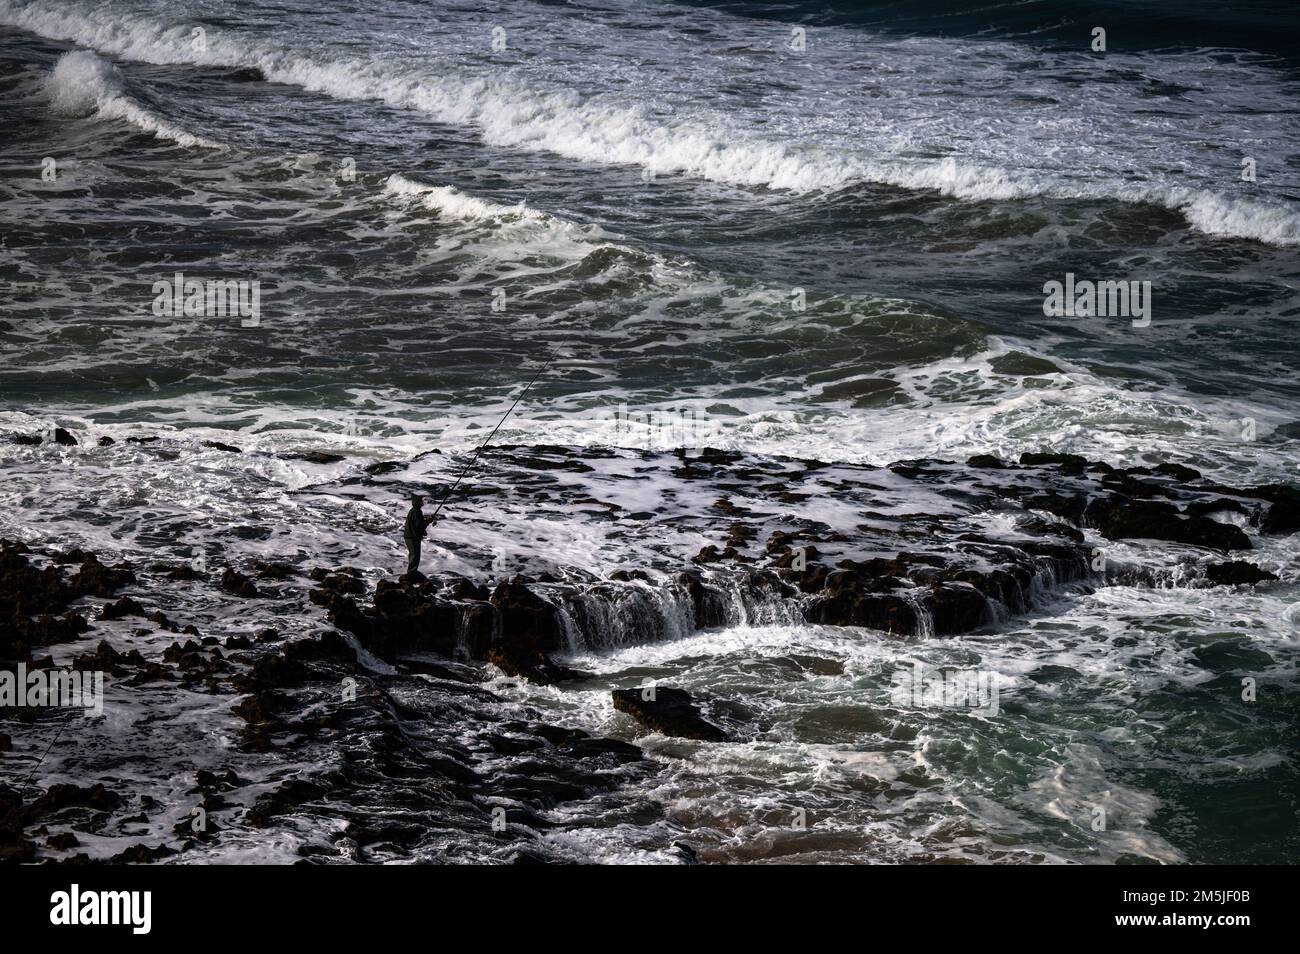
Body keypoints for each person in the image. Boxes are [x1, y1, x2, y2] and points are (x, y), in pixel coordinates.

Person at [403, 494, 437, 577]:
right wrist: (428, 521)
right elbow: (419, 525)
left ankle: (412, 572)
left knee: (414, 555)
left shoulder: (414, 510)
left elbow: (418, 524)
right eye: (421, 500)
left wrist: (427, 520)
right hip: (412, 537)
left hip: (411, 536)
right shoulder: (416, 511)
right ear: (418, 502)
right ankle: (411, 573)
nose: (422, 501)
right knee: (415, 555)